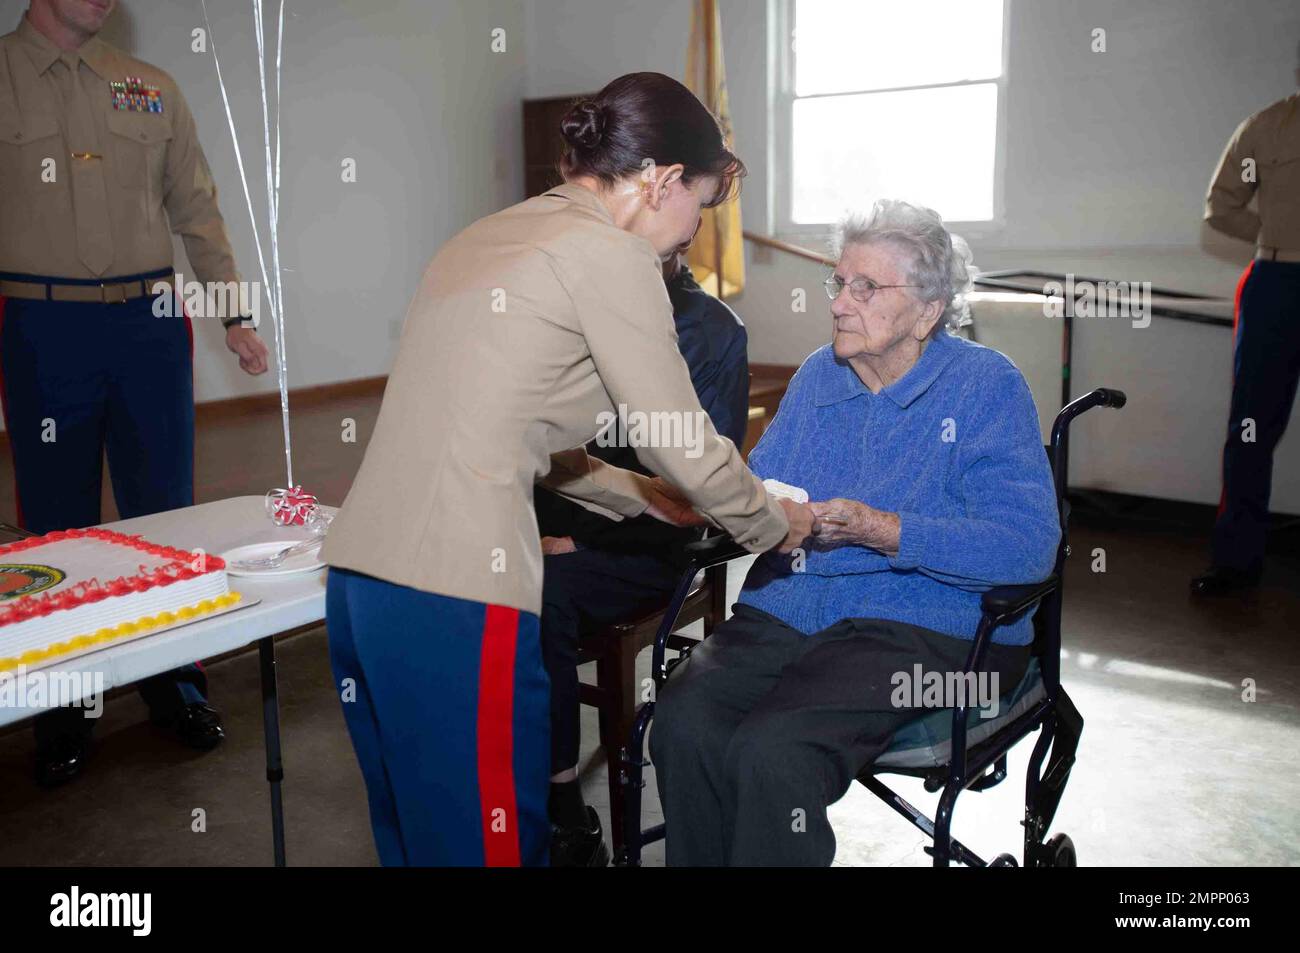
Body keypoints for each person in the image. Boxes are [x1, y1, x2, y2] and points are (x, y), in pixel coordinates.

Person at [321, 72, 815, 867]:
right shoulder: (611, 256)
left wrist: (645, 499)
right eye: (699, 204)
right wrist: (777, 522)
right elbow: (678, 438)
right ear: (659, 180)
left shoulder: (486, 236)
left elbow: (512, 432)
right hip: (459, 594)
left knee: (416, 840)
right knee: (493, 849)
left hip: (359, 585)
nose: (693, 232)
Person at [649, 199, 1060, 866]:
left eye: (866, 287)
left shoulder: (986, 387)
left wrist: (885, 531)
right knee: (683, 724)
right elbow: (766, 488)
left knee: (772, 753)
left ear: (928, 311)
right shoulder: (819, 376)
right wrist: (718, 498)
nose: (841, 303)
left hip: (931, 625)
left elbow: (1025, 548)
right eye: (839, 283)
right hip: (792, 607)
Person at [0, 0, 269, 787]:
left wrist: (233, 314)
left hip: (151, 324)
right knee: (57, 528)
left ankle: (175, 684)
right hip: (42, 326)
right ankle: (64, 703)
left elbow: (196, 207)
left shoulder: (149, 87)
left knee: (168, 513)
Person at [537, 249, 751, 866]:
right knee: (479, 578)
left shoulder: (712, 332)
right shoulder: (574, 313)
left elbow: (703, 486)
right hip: (559, 520)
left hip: (658, 543)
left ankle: (561, 804)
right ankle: (491, 779)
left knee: (539, 593)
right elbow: (540, 442)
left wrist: (585, 543)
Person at [1196, 72, 1300, 595]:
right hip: (1278, 281)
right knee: (1252, 427)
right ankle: (1237, 563)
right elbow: (1222, 205)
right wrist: (1278, 230)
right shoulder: (1268, 126)